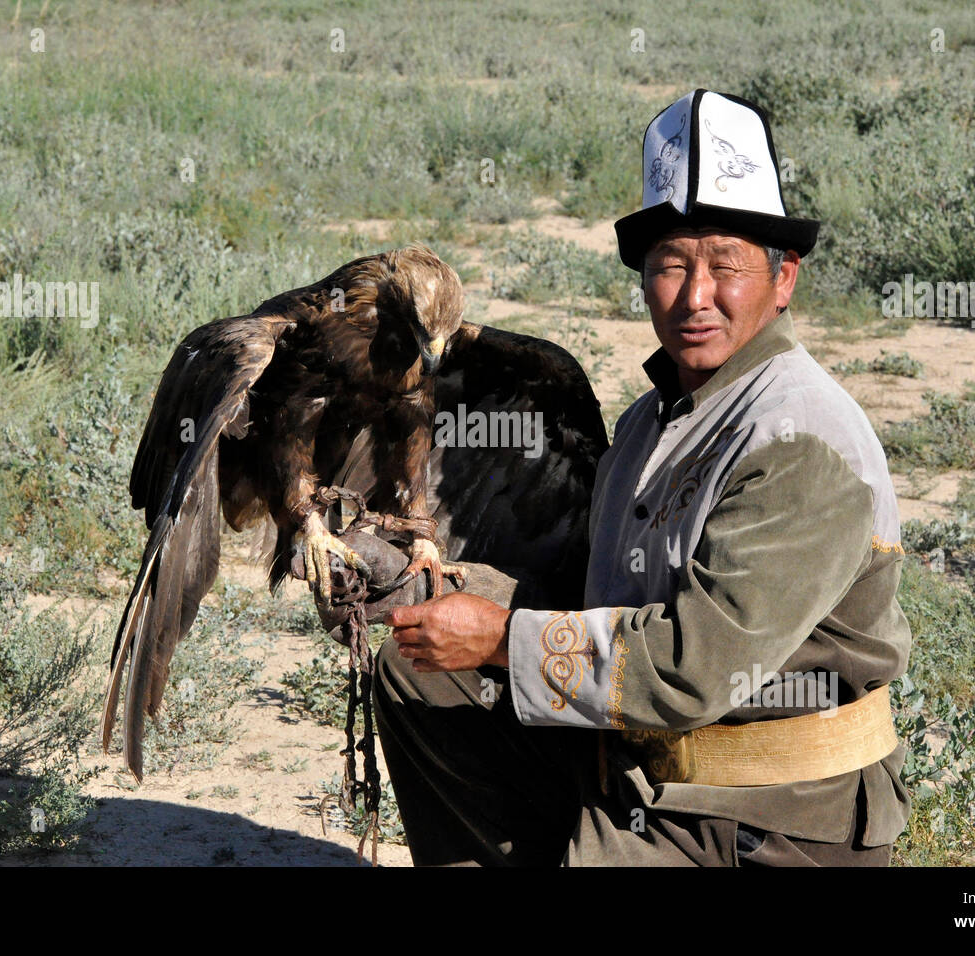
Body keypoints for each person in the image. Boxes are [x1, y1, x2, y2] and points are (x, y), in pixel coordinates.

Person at [374, 90, 912, 866]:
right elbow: (594, 596)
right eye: (670, 265)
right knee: (421, 676)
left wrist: (497, 637)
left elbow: (694, 666)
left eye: (725, 264)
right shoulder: (652, 423)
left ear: (783, 276)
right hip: (642, 768)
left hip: (765, 821)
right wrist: (420, 585)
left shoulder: (801, 439)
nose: (695, 296)